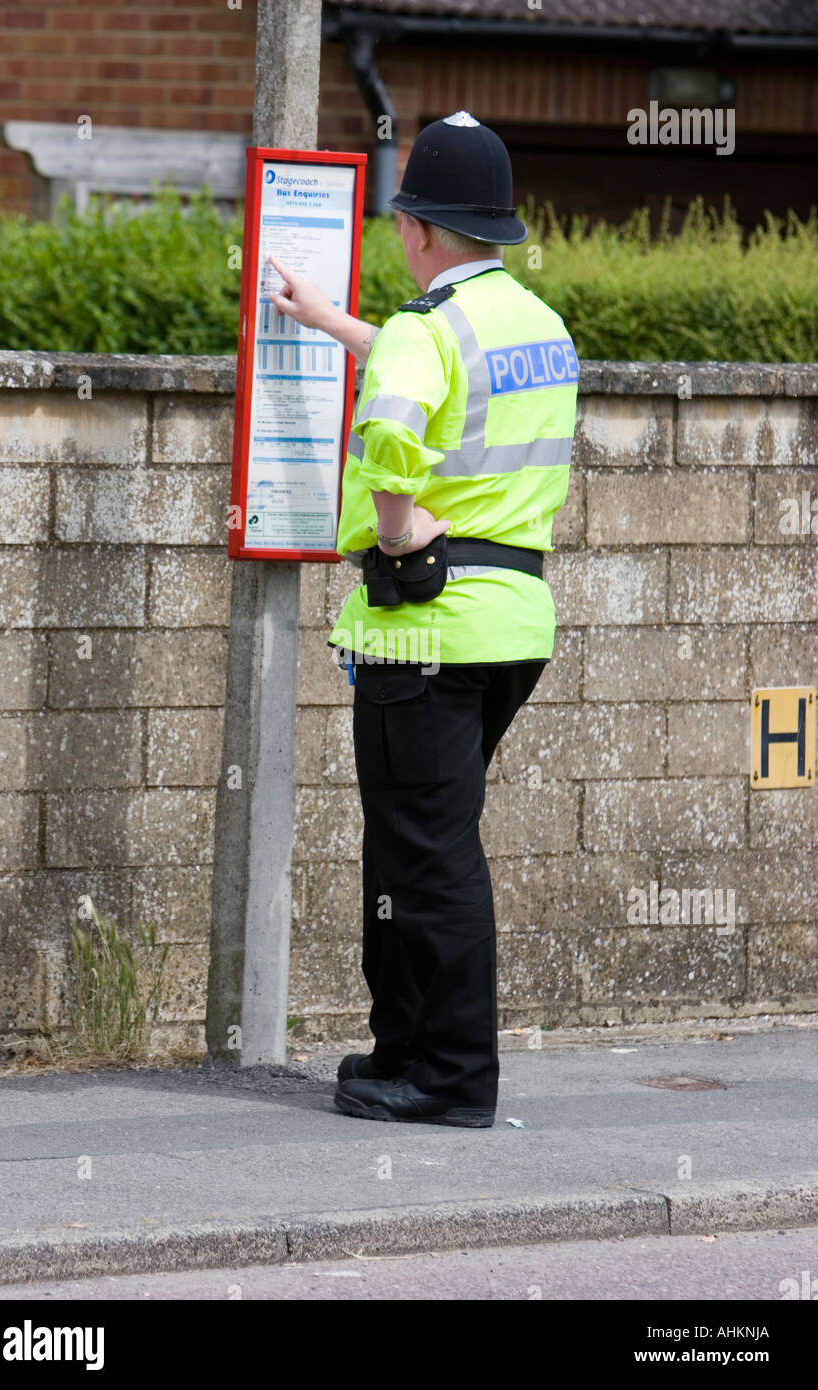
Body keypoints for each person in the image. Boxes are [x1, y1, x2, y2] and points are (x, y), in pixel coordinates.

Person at [269, 112, 578, 1128]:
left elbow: (398, 434)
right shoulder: (534, 327)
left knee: (429, 856)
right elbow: (426, 367)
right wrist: (331, 322)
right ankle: (400, 1046)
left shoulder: (423, 331)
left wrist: (398, 536)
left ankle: (448, 1079)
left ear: (416, 231)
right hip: (509, 625)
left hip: (424, 626)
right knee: (416, 845)